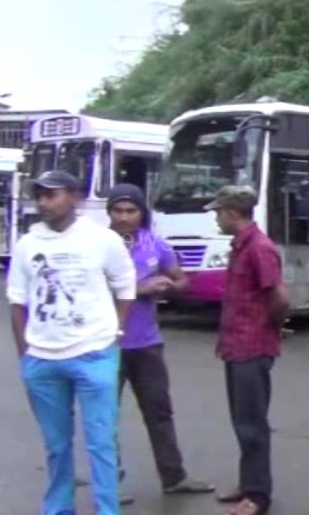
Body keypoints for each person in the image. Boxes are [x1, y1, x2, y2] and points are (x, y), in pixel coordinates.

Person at [6, 170, 136, 515]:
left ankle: (107, 509)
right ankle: (59, 508)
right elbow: (17, 302)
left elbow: (125, 286)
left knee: (101, 443)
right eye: (39, 196)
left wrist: (116, 334)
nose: (43, 203)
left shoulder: (102, 239)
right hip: (42, 360)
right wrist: (26, 355)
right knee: (56, 445)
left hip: (94, 354)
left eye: (52, 195)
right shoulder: (27, 244)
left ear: (75, 198)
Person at [105, 183, 214, 504]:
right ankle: (109, 483)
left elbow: (182, 278)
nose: (124, 217)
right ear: (109, 213)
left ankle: (174, 477)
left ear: (142, 213)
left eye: (131, 211)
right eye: (117, 210)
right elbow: (88, 289)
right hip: (106, 345)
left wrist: (170, 284)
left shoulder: (155, 244)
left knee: (159, 412)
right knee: (105, 417)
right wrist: (140, 289)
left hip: (147, 344)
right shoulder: (98, 245)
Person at [205, 185, 289, 515]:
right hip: (236, 346)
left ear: (231, 213)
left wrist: (270, 327)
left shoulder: (259, 248)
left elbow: (279, 297)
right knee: (242, 421)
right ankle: (248, 483)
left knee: (252, 425)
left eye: (217, 212)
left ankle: (257, 496)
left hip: (252, 348)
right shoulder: (242, 246)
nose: (216, 218)